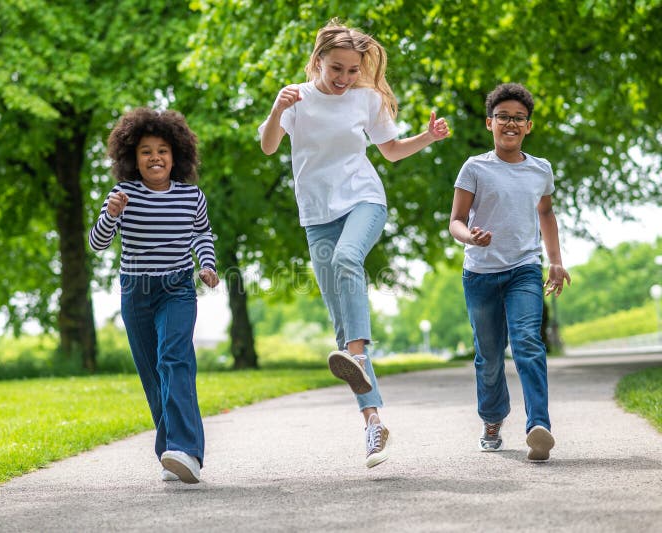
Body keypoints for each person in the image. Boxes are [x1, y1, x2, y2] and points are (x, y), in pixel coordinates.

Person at [258, 18, 449, 468]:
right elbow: (268, 147)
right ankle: (373, 422)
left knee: (348, 260)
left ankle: (358, 357)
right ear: (318, 61)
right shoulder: (296, 98)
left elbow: (391, 150)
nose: (344, 78)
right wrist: (273, 110)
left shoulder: (367, 99)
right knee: (341, 328)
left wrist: (429, 137)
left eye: (351, 70)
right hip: (316, 216)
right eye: (336, 69)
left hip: (363, 200)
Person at [89, 107, 219, 483]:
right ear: (132, 157)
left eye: (162, 150)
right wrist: (111, 215)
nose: (155, 157)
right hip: (136, 292)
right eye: (146, 151)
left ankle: (187, 451)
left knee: (174, 360)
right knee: (153, 373)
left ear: (176, 155)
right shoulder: (121, 194)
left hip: (177, 287)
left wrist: (206, 266)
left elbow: (201, 235)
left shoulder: (191, 195)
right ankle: (170, 452)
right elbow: (98, 243)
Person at [449, 82, 571, 462]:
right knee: (488, 356)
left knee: (528, 342)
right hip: (480, 274)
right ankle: (491, 419)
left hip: (523, 269)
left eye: (519, 118)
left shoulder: (541, 169)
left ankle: (539, 426)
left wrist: (555, 259)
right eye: (503, 117)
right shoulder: (475, 167)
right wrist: (470, 237)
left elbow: (546, 213)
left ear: (529, 126)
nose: (511, 124)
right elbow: (455, 221)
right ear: (490, 123)